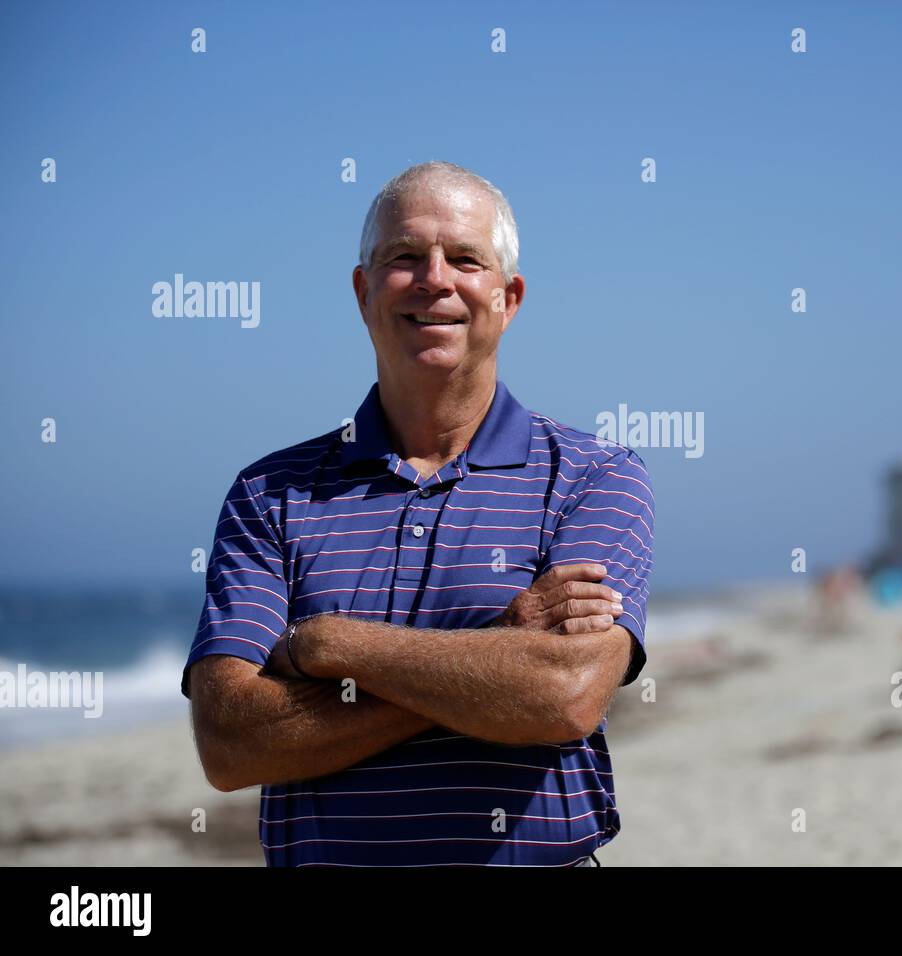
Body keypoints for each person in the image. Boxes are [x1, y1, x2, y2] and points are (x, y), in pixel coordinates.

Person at [182, 161, 654, 867]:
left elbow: (563, 694)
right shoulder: (269, 492)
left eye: (465, 259)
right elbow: (228, 743)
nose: (435, 279)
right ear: (363, 290)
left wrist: (327, 645)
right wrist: (500, 647)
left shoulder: (595, 476)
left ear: (509, 296)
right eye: (405, 258)